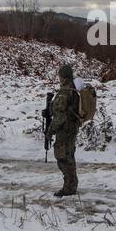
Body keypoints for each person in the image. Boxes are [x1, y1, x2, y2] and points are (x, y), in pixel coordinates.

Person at [50, 62, 81, 197]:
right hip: (72, 128)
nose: (59, 78)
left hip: (65, 129)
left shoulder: (65, 91)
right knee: (69, 156)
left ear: (64, 76)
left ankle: (68, 187)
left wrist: (50, 130)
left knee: (63, 157)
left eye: (60, 76)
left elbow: (60, 115)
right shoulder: (73, 89)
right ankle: (72, 185)